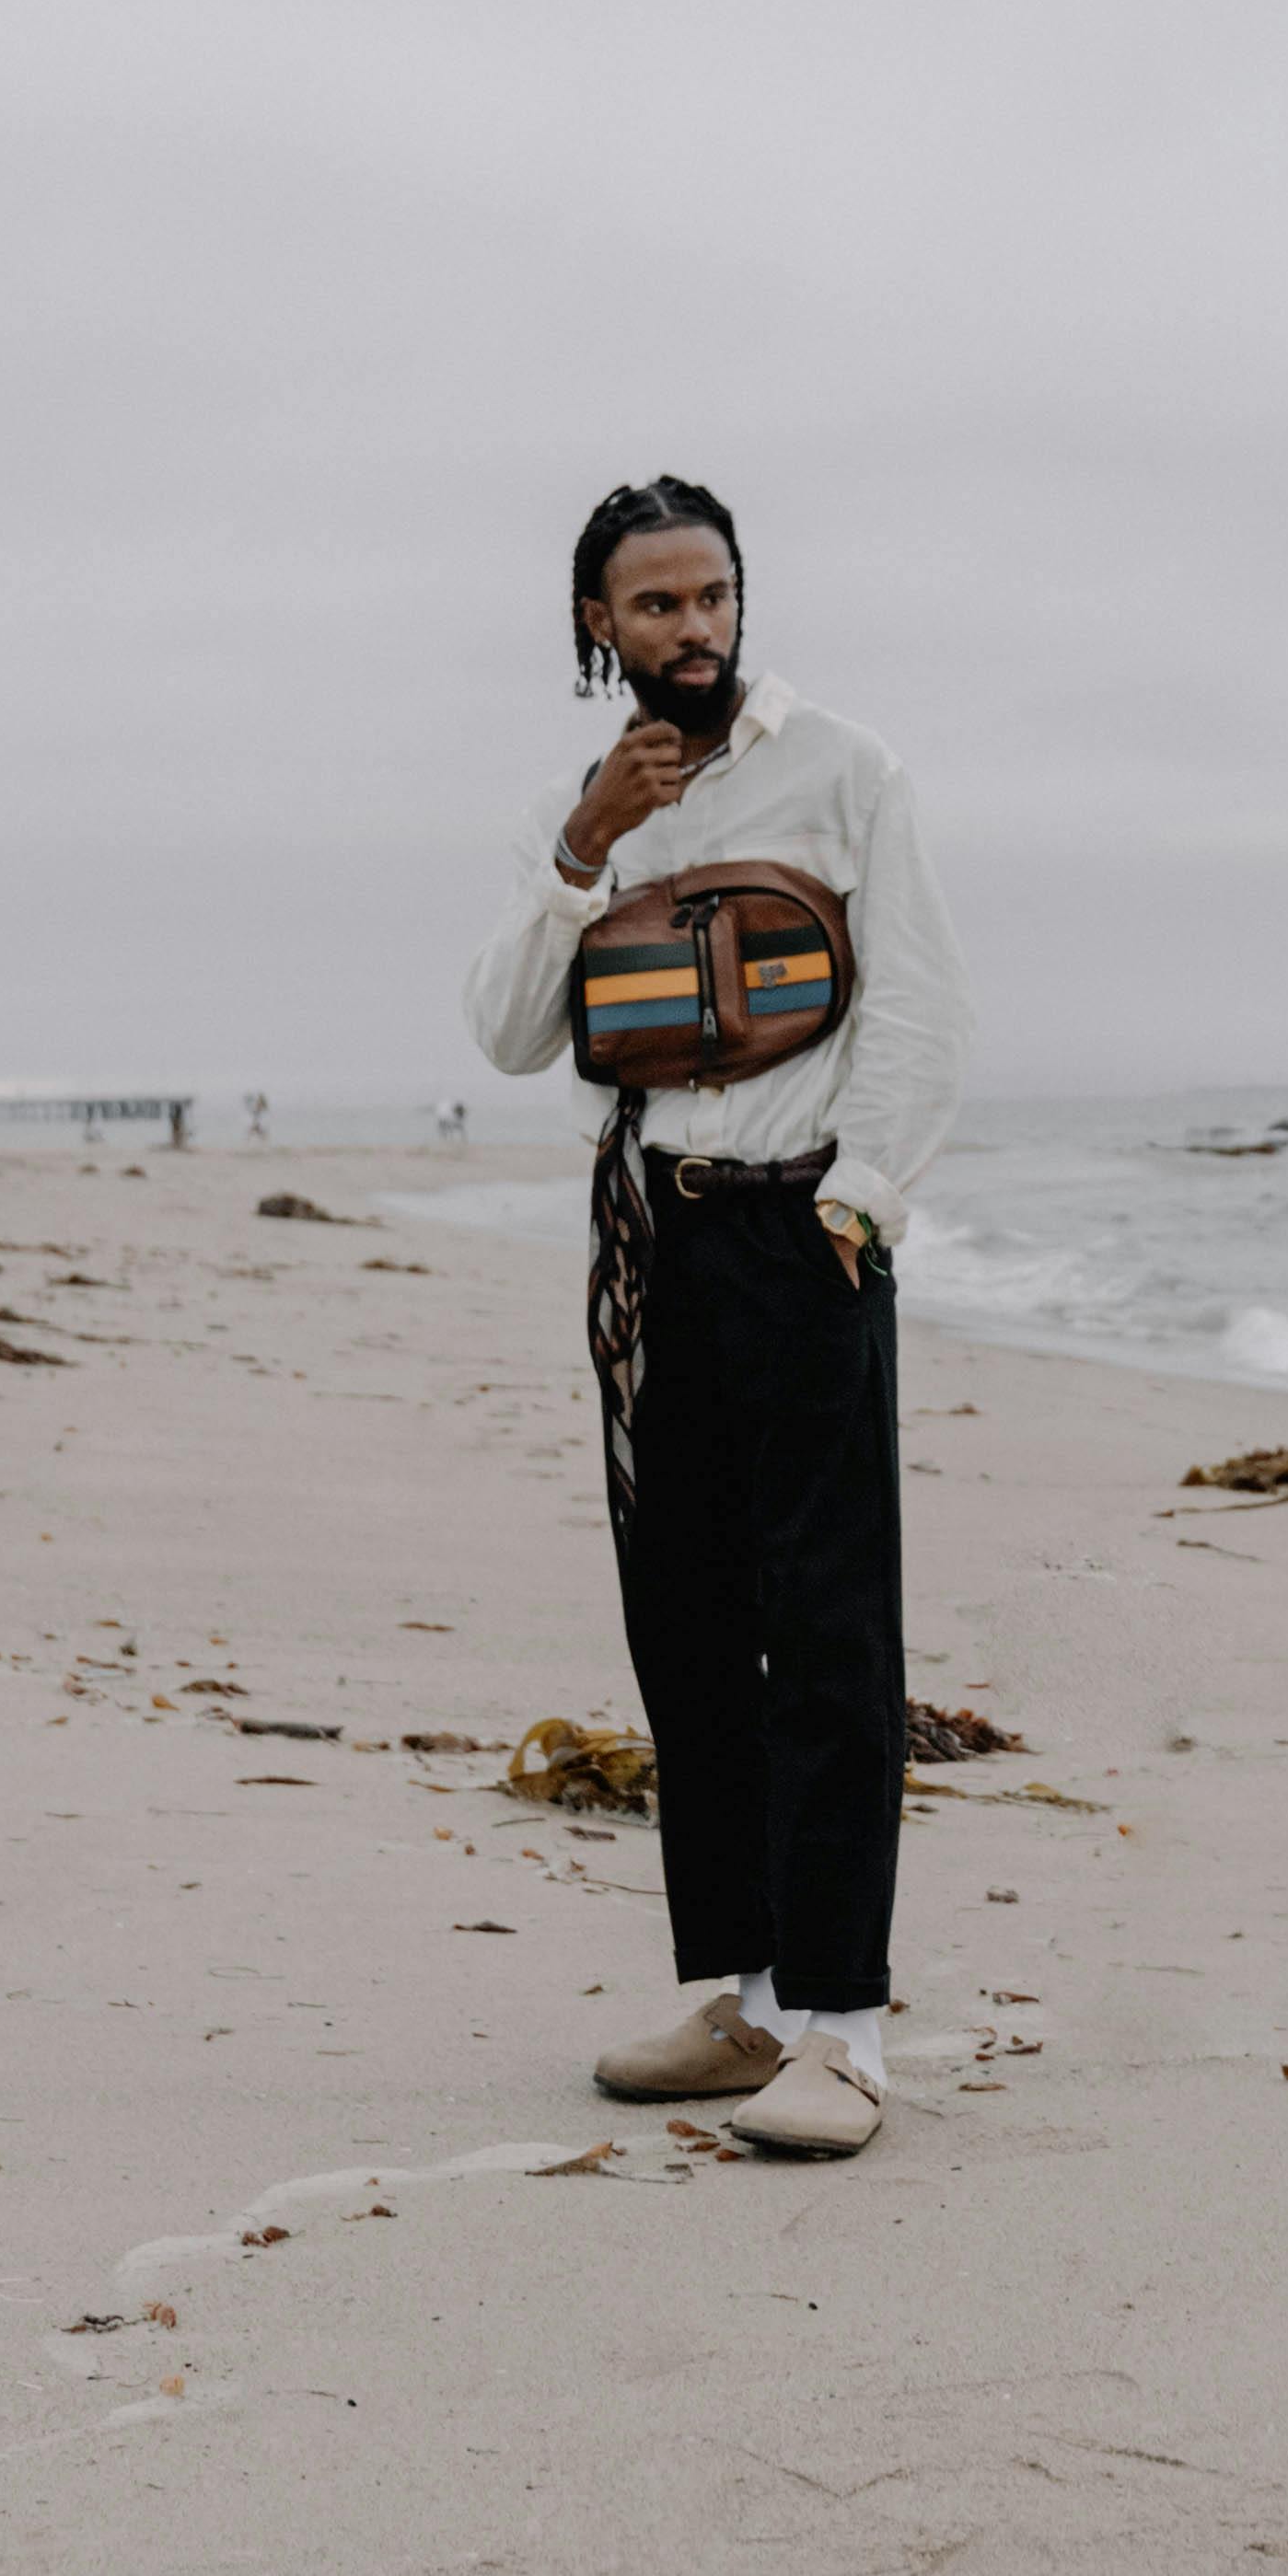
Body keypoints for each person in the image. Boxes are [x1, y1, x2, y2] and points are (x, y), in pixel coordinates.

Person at [465, 475, 969, 2159]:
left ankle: (847, 2032)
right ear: (597, 625)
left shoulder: (845, 771)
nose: (695, 629)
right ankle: (749, 2004)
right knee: (686, 1624)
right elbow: (507, 1034)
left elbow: (921, 1009)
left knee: (830, 1630)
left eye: (715, 596)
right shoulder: (582, 809)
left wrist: (858, 1204)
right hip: (651, 1246)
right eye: (658, 605)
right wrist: (581, 847)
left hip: (800, 1230)